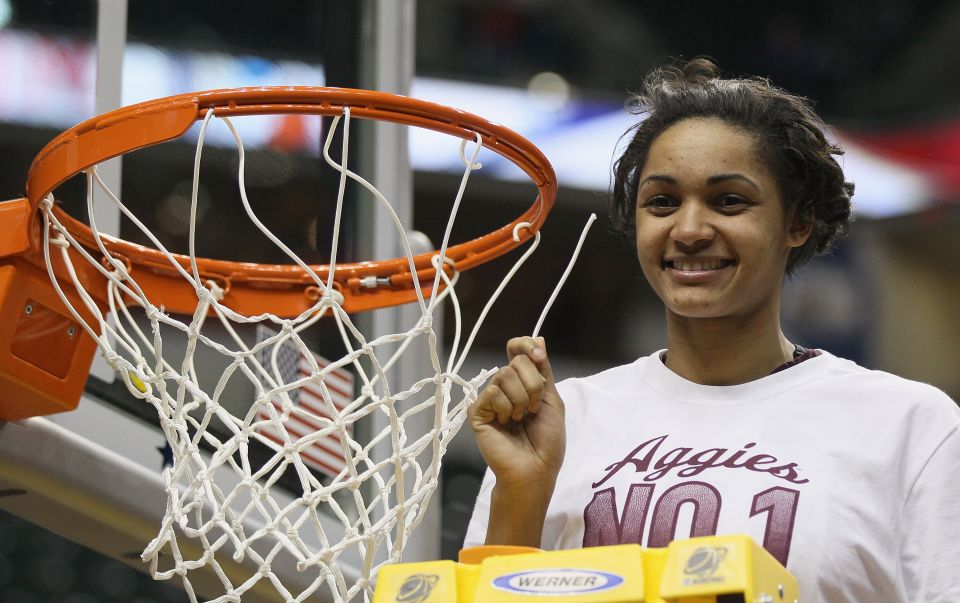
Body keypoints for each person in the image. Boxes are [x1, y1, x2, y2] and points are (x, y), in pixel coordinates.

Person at [464, 58, 960, 602]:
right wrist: (523, 490)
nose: (691, 229)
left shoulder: (909, 425)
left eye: (729, 201)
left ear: (797, 221)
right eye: (663, 202)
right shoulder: (562, 420)